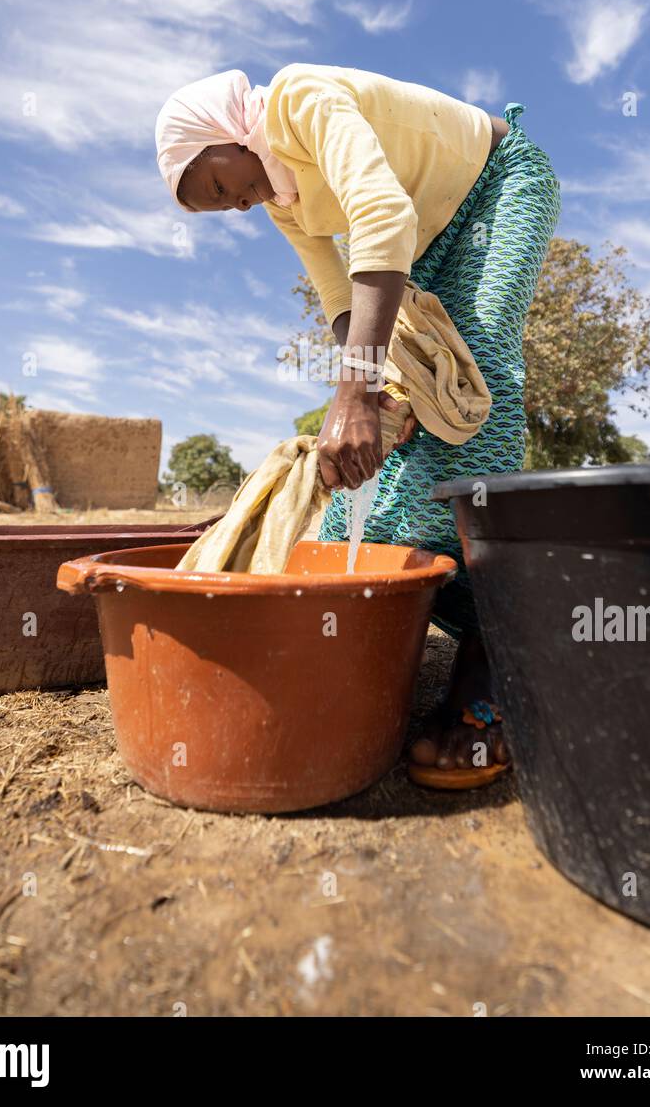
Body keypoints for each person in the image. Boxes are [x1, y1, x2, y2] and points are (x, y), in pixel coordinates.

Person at [156, 64, 560, 789]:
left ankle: (492, 671)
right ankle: (422, 593)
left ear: (223, 131)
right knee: (413, 412)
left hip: (497, 183)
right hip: (422, 237)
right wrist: (367, 399)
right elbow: (339, 295)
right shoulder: (285, 201)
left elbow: (380, 216)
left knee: (479, 372)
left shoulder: (297, 98)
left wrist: (353, 390)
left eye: (218, 186)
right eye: (220, 209)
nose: (237, 206)